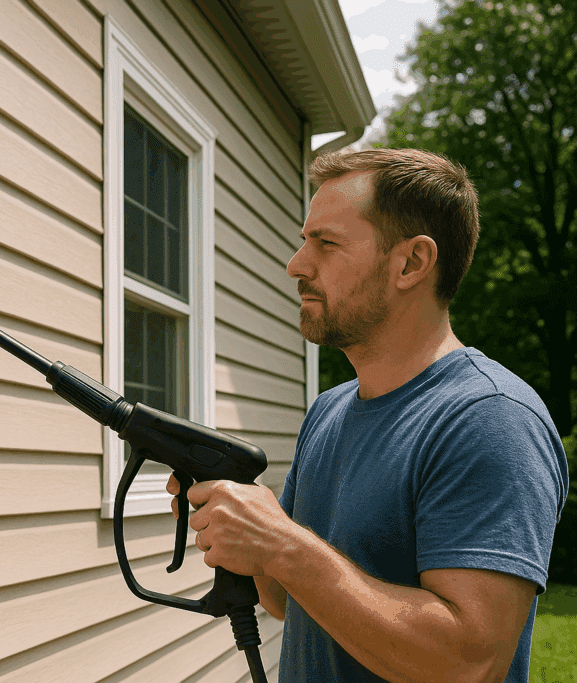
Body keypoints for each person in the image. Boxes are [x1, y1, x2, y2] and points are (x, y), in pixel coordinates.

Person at [168, 148, 569, 682]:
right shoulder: (328, 411)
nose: (296, 264)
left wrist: (283, 543)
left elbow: (470, 663)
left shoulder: (489, 418)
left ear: (411, 263)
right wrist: (245, 530)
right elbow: (293, 602)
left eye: (325, 244)